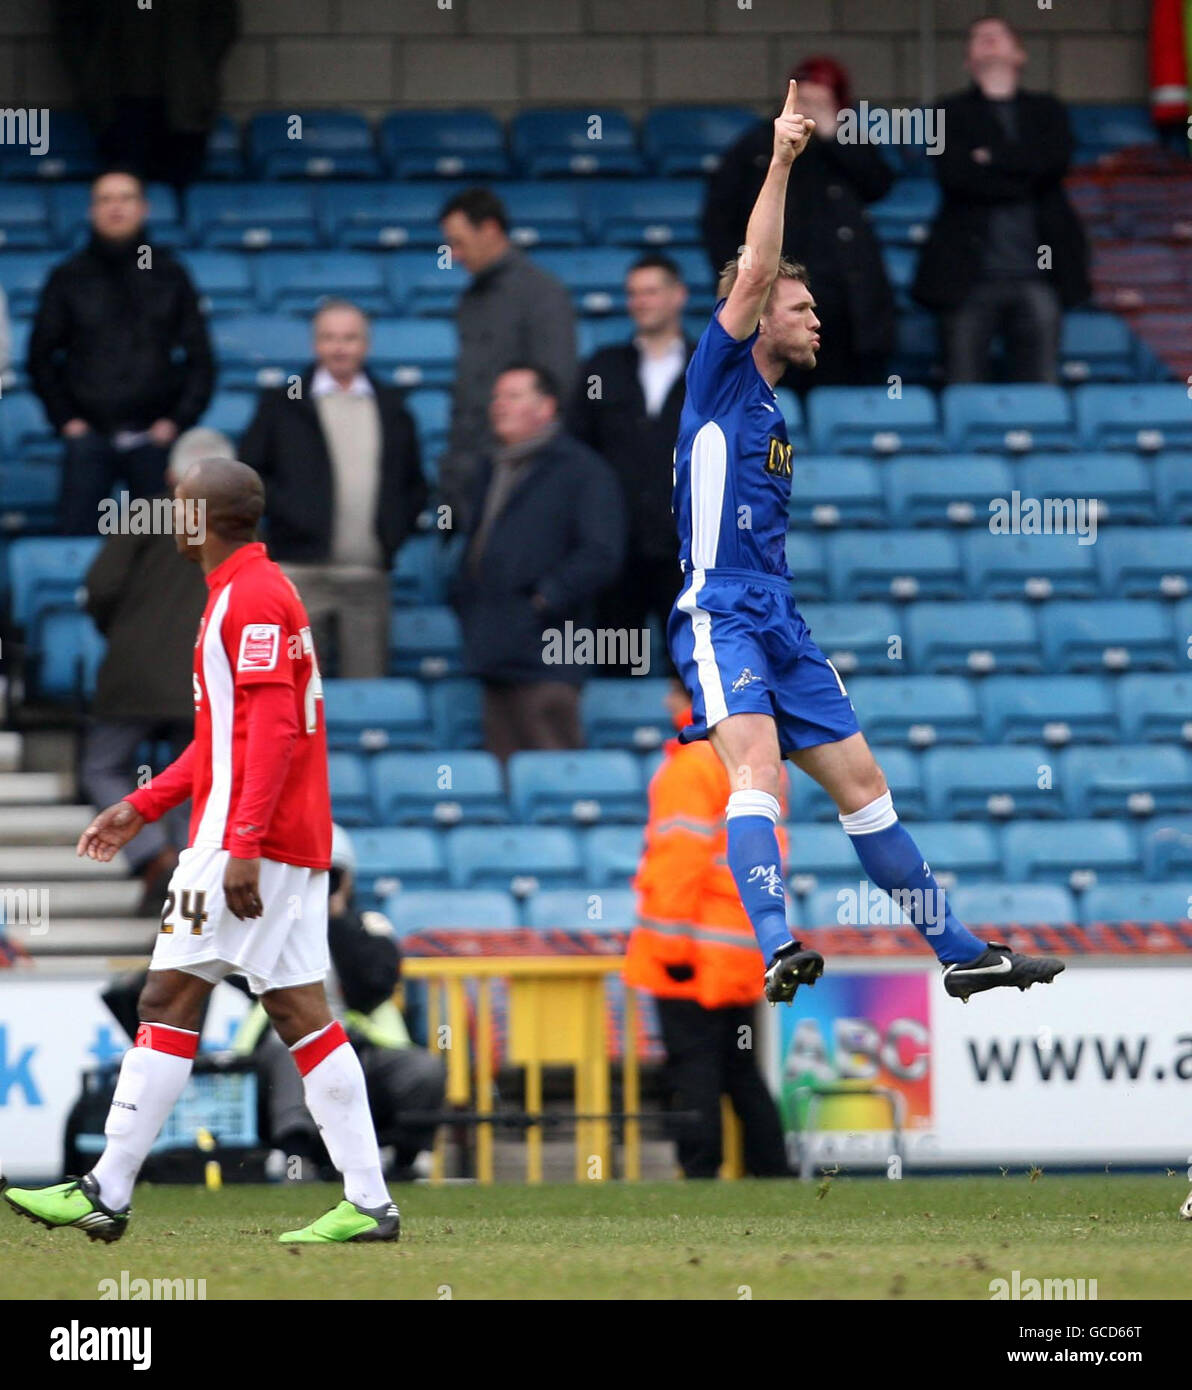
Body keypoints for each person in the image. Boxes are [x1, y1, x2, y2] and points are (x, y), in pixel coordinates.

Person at [668, 80, 1065, 1006]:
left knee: (864, 782)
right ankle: (774, 943)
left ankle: (961, 950)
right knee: (758, 771)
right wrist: (782, 159)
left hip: (778, 618)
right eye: (798, 307)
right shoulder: (719, 376)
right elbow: (756, 268)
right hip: (719, 610)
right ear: (757, 312)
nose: (814, 318)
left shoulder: (763, 408)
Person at [3, 457, 399, 1246]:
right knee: (300, 1012)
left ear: (203, 519)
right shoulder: (249, 592)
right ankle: (369, 1201)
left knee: (165, 1001)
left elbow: (276, 732)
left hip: (241, 841)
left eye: (177, 508)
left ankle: (106, 1188)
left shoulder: (249, 599)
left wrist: (243, 842)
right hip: (272, 838)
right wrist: (142, 804)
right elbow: (225, 740)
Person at [624, 683, 790, 1179]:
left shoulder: (690, 768)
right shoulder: (755, 764)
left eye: (674, 695)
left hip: (694, 952)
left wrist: (672, 946)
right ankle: (773, 1174)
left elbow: (680, 863)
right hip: (741, 947)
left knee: (693, 1069)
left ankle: (699, 1175)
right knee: (740, 1072)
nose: (665, 704)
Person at [79, 428, 232, 915]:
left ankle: (153, 856)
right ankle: (183, 869)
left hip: (135, 674)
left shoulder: (145, 511)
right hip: (205, 677)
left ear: (170, 472)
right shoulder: (237, 528)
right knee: (198, 776)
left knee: (101, 767)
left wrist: (119, 632)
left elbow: (100, 586)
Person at [239, 299, 427, 679]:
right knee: (296, 695)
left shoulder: (394, 407)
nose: (339, 347)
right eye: (329, 337)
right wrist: (292, 515)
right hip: (299, 572)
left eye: (349, 338)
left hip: (367, 574)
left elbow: (414, 483)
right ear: (314, 344)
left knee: (367, 693)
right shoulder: (281, 403)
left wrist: (390, 534)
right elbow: (250, 475)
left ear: (366, 344)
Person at [249, 825, 446, 1182]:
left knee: (423, 1069)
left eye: (327, 876)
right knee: (292, 1050)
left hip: (360, 1043)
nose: (317, 884)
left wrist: (336, 919)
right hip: (286, 1040)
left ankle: (401, 1157)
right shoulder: (265, 922)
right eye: (307, 874)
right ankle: (295, 1157)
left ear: (348, 879)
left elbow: (373, 986)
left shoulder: (368, 925)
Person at [452, 365, 625, 763]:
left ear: (546, 407)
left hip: (551, 654)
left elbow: (601, 554)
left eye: (513, 396)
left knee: (552, 769)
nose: (499, 406)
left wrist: (543, 600)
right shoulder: (491, 468)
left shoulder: (583, 471)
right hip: (495, 652)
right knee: (506, 777)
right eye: (497, 397)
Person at [29, 170, 214, 534]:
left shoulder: (169, 274)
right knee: (76, 546)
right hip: (88, 440)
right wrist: (67, 420)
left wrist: (176, 421)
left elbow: (201, 359)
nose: (116, 207)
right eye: (106, 199)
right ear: (91, 210)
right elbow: (40, 358)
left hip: (153, 439)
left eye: (126, 198)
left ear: (143, 208)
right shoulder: (68, 276)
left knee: (162, 551)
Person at [911, 15, 1091, 383]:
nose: (988, 40)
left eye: (998, 35)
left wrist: (990, 157)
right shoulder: (948, 112)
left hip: (1040, 277)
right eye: (978, 37)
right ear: (967, 60)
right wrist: (1025, 168)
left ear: (1020, 54)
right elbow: (956, 177)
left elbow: (1054, 163)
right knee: (963, 383)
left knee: (1042, 387)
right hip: (967, 280)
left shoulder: (1048, 110)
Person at [702, 57, 895, 388]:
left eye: (821, 100)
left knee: (845, 394)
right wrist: (743, 285)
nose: (810, 107)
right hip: (775, 301)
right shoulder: (756, 145)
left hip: (846, 305)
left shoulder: (848, 141)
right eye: (803, 98)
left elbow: (878, 184)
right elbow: (717, 217)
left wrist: (832, 130)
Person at [568, 254, 691, 675]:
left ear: (679, 296)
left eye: (651, 291)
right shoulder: (602, 367)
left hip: (688, 552)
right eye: (633, 293)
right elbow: (576, 450)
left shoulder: (708, 367)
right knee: (616, 668)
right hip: (615, 551)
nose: (640, 301)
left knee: (695, 675)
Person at [438, 188, 577, 527]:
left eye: (459, 242)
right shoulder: (469, 299)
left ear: (489, 230)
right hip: (472, 475)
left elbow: (556, 387)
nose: (454, 255)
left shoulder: (543, 294)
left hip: (523, 476)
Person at [53, 0, 239, 189]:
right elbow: (71, 24)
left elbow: (223, 23)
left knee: (180, 194)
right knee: (123, 195)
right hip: (116, 104)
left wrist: (197, 71)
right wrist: (91, 76)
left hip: (184, 106)